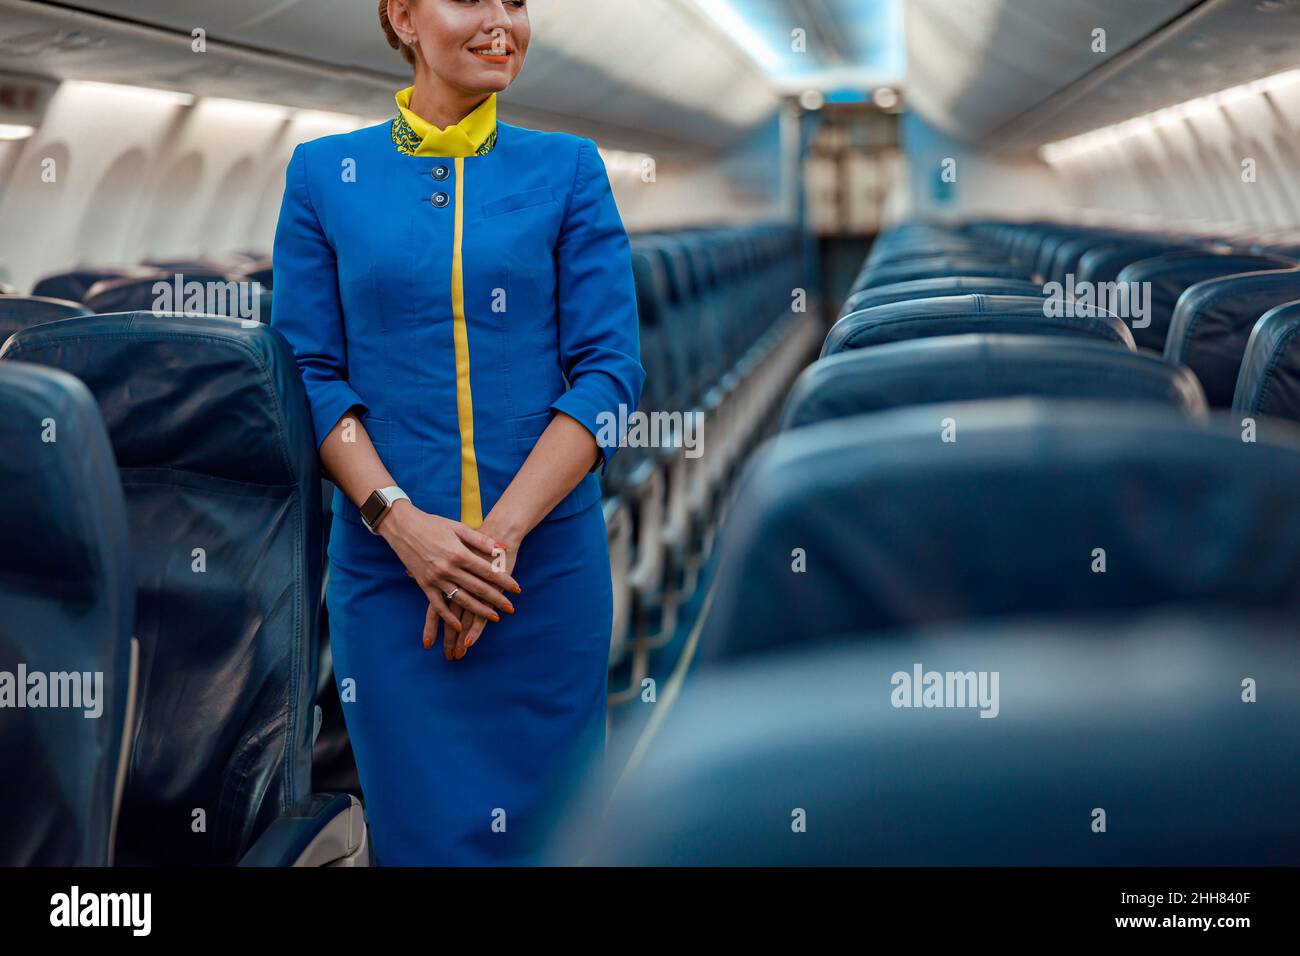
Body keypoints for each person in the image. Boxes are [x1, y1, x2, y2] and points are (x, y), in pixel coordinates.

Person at [270, 0, 644, 865]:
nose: (499, 21)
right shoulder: (327, 174)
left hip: (542, 580)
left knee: (556, 841)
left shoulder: (569, 169)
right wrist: (403, 527)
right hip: (389, 584)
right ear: (401, 15)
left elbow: (609, 375)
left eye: (515, 2)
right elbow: (311, 378)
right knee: (423, 841)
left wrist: (499, 540)